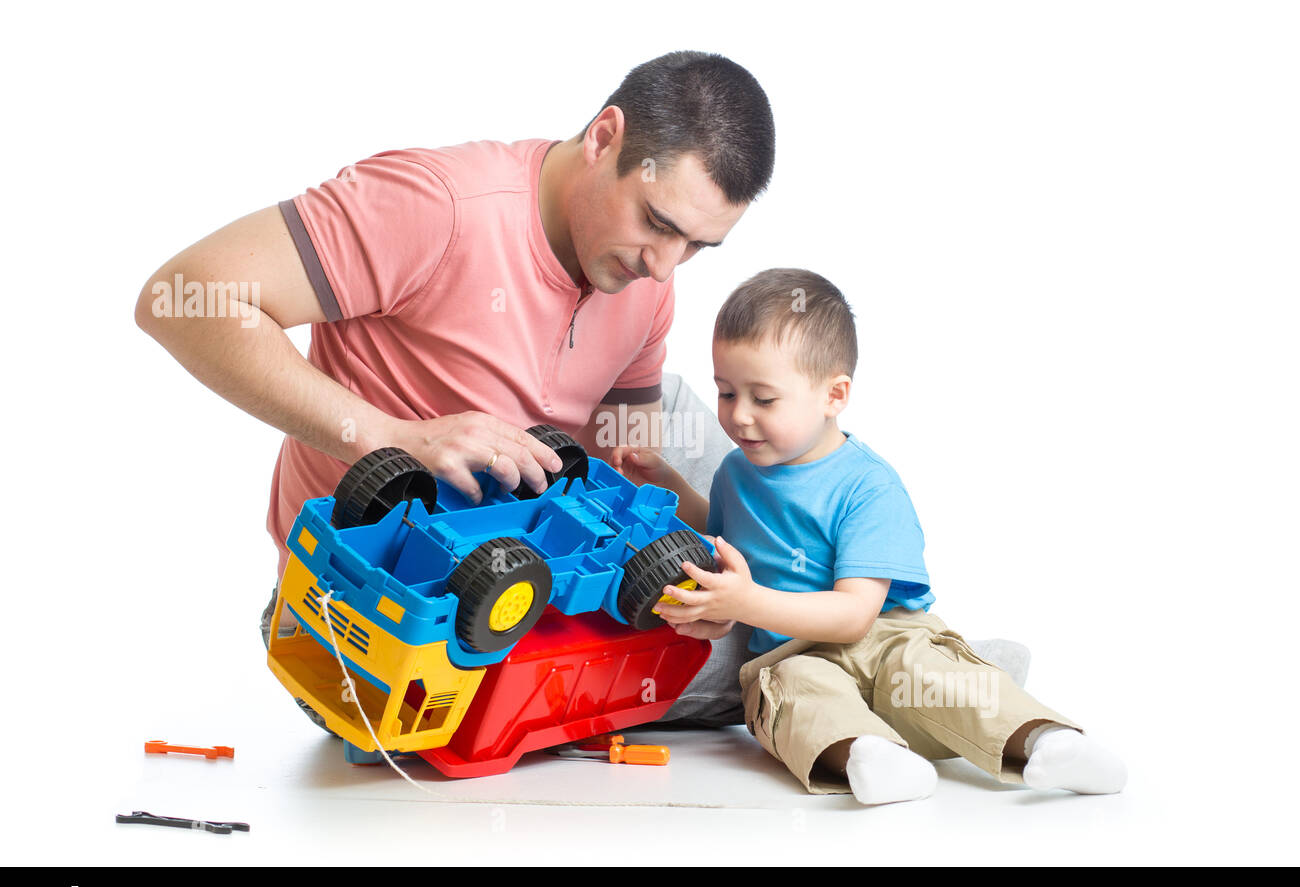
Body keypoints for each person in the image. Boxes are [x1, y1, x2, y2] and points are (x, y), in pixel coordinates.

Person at [134, 53, 774, 727]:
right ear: (604, 138)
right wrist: (393, 437)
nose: (664, 266)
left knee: (699, 437)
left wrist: (693, 572)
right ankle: (822, 654)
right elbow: (181, 299)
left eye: (698, 246)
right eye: (657, 221)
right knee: (763, 661)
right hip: (383, 613)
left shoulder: (649, 287)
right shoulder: (434, 207)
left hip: (532, 564)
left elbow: (624, 469)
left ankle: (844, 609)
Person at [613, 268, 1127, 803]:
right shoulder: (734, 474)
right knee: (791, 695)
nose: (739, 416)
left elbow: (855, 615)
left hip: (882, 639)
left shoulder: (867, 486)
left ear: (834, 394)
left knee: (929, 671)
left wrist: (748, 601)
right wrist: (669, 482)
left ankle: (1050, 741)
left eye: (763, 399)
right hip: (789, 657)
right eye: (725, 392)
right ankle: (868, 754)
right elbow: (723, 534)